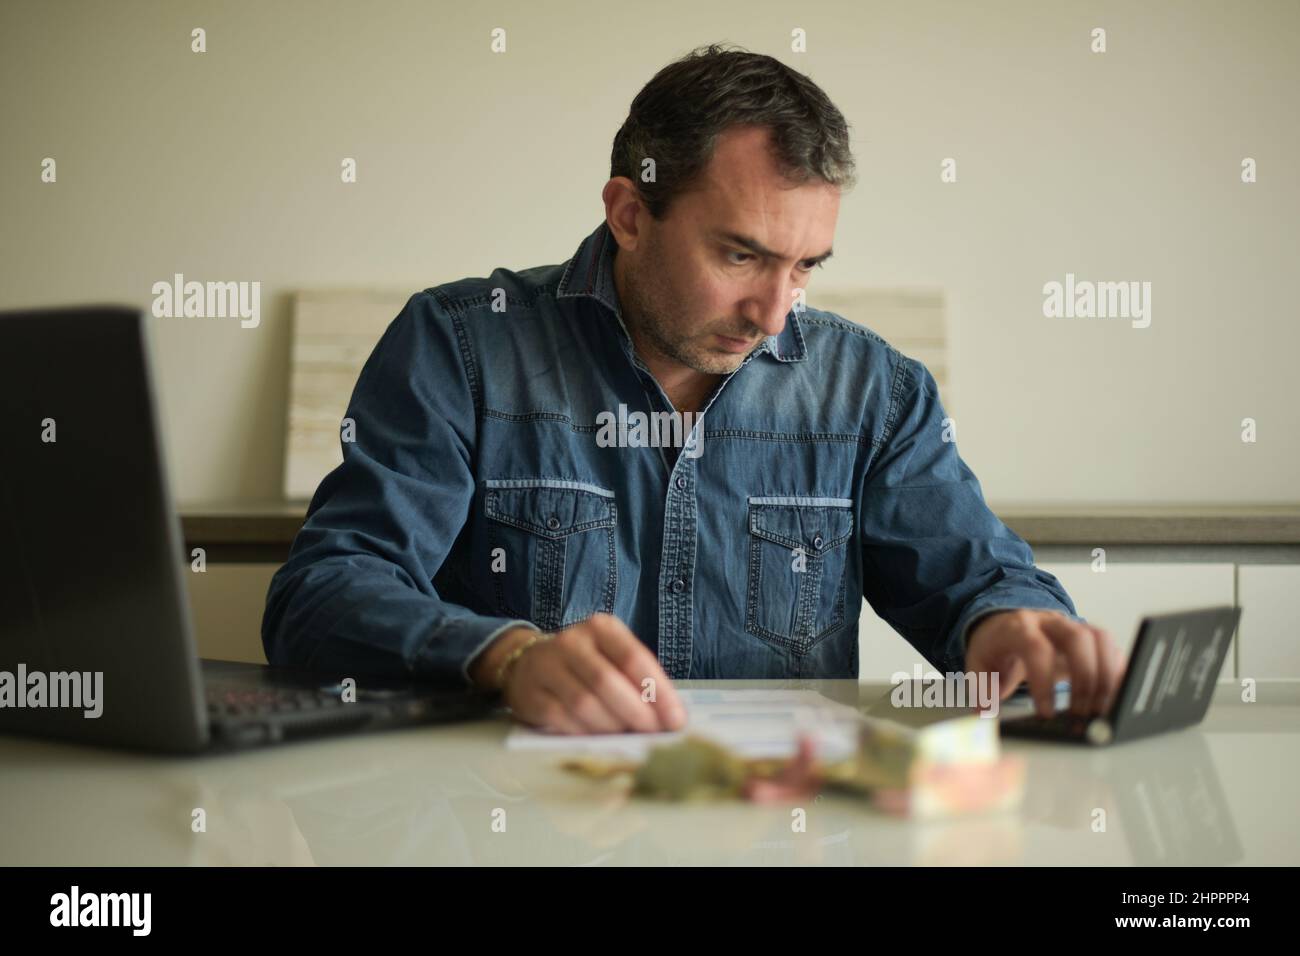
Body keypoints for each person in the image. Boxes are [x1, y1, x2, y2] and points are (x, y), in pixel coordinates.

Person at [262, 43, 1123, 735]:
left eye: (805, 268)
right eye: (741, 255)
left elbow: (977, 579)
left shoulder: (873, 392)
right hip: (523, 837)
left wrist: (1003, 625)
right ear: (629, 214)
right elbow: (324, 595)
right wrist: (507, 657)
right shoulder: (459, 347)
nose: (775, 314)